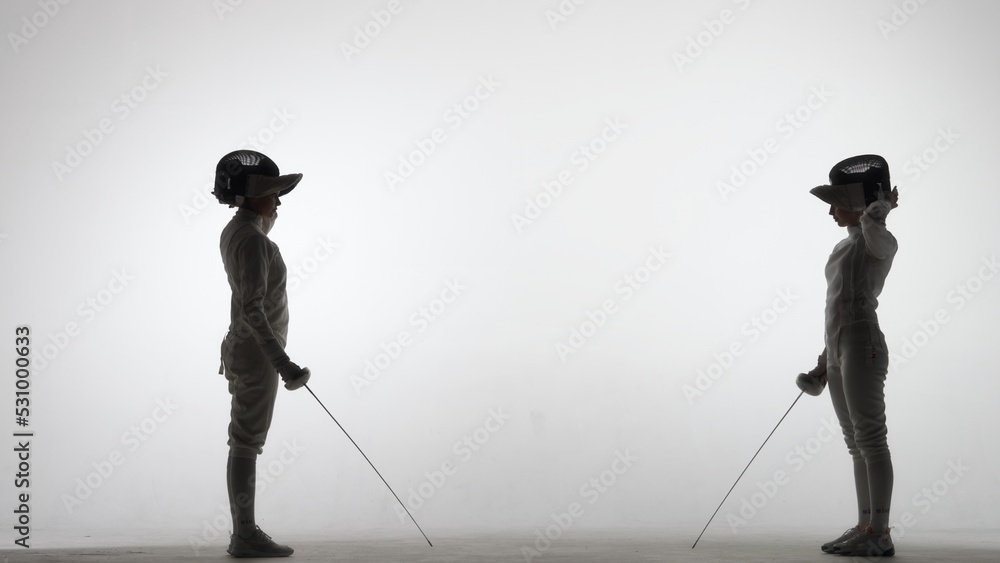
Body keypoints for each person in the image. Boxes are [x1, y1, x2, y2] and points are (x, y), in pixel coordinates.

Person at [796, 155, 899, 557]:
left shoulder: (881, 241)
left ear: (861, 203)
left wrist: (880, 206)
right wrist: (824, 359)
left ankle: (881, 532)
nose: (830, 210)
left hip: (864, 345)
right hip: (840, 348)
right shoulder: (844, 246)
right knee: (855, 444)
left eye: (838, 201)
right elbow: (836, 308)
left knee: (872, 439)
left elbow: (875, 230)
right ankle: (865, 524)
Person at [213, 150, 311, 558]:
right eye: (271, 193)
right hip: (256, 353)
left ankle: (245, 532)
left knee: (244, 439)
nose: (279, 200)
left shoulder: (238, 231)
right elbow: (253, 308)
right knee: (246, 442)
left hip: (244, 347)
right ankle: (245, 535)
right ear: (252, 195)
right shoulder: (252, 241)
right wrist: (281, 361)